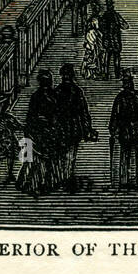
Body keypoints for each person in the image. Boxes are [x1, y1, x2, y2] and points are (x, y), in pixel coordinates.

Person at [17, 70, 62, 195]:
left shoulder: (36, 96)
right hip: (48, 132)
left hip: (37, 132)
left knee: (35, 160)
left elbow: (31, 116)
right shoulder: (54, 95)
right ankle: (44, 183)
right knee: (47, 160)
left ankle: (34, 184)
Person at [109, 70, 138, 191]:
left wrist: (113, 130)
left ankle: (125, 180)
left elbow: (114, 118)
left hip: (125, 133)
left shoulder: (119, 99)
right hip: (137, 133)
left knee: (125, 156)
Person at [54, 62, 97, 191]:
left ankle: (61, 177)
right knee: (70, 154)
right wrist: (87, 127)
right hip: (73, 127)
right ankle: (67, 177)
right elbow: (83, 111)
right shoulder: (77, 91)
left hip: (60, 127)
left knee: (61, 153)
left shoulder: (57, 91)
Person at [102, 0, 130, 79]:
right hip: (115, 40)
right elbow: (125, 26)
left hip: (107, 40)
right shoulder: (116, 16)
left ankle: (105, 75)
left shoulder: (104, 16)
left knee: (107, 57)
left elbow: (101, 28)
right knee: (116, 57)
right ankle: (117, 74)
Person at [80, 9, 106, 80]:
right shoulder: (92, 32)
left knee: (93, 60)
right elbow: (94, 41)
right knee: (92, 60)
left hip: (93, 48)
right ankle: (90, 74)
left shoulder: (94, 32)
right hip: (93, 48)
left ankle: (92, 73)